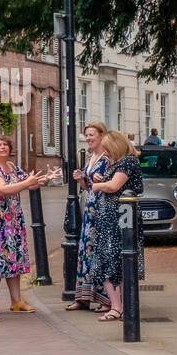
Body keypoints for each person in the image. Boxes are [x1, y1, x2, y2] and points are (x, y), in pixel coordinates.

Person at [0, 136, 53, 313]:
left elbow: (29, 183)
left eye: (6, 145)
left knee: (14, 261)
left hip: (14, 220)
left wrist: (45, 179)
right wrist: (26, 183)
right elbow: (2, 190)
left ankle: (16, 301)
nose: (3, 147)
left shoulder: (12, 167)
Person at [89, 129, 144, 323]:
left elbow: (114, 187)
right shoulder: (118, 162)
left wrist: (98, 185)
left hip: (119, 219)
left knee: (114, 261)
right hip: (112, 218)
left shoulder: (127, 161)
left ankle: (118, 307)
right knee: (110, 261)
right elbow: (112, 183)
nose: (106, 154)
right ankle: (120, 306)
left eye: (107, 149)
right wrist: (102, 180)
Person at [66, 121, 110, 311]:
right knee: (86, 252)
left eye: (92, 134)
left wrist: (101, 180)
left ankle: (104, 298)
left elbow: (112, 182)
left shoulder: (108, 158)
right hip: (89, 209)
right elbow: (88, 186)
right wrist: (81, 179)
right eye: (87, 135)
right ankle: (83, 297)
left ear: (101, 135)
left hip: (101, 209)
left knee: (99, 252)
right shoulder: (91, 157)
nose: (88, 138)